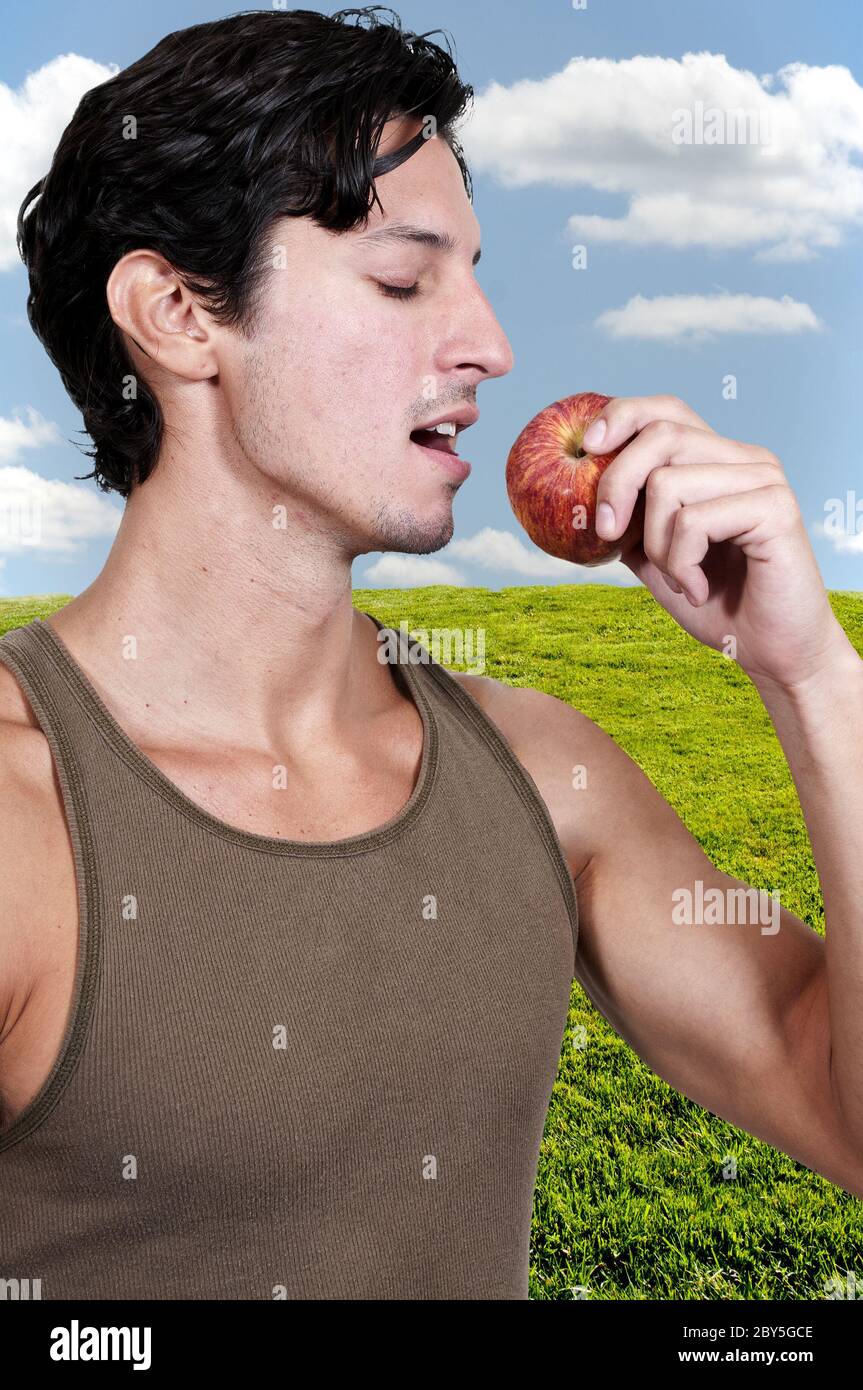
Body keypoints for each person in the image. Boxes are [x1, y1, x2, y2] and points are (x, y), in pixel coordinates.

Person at [1, 7, 861, 1301]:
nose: (491, 349)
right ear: (175, 311)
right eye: (405, 281)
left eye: (473, 276)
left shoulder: (542, 771)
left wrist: (813, 675)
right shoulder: (20, 818)